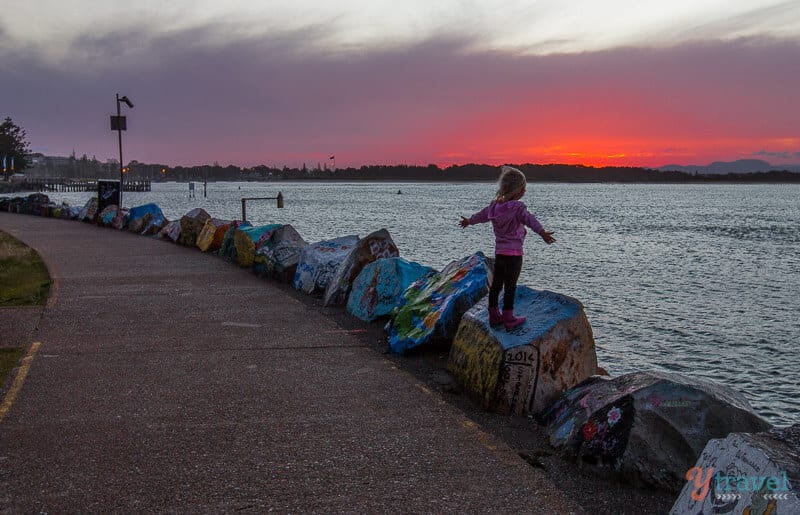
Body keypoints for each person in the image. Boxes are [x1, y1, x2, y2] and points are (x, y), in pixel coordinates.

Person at [459, 166, 556, 330]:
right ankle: (509, 318)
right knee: (510, 286)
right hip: (515, 254)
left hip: (500, 253)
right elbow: (530, 220)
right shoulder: (518, 208)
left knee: (496, 285)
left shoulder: (494, 207)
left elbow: (481, 216)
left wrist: (469, 221)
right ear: (518, 191)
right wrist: (542, 233)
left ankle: (493, 315)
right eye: (523, 188)